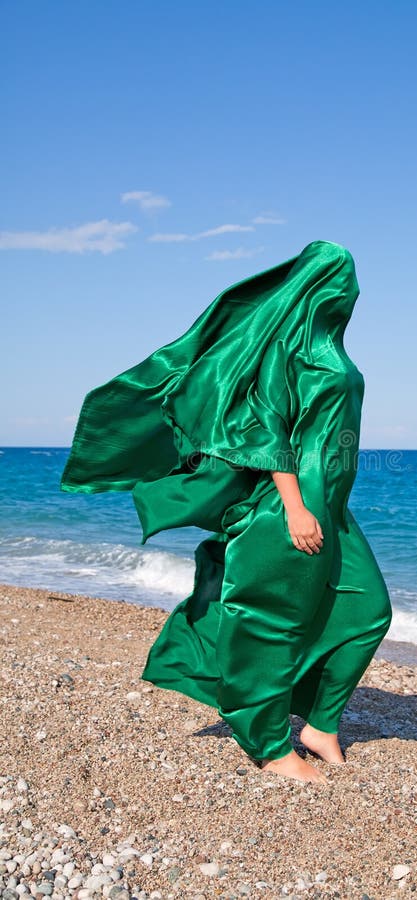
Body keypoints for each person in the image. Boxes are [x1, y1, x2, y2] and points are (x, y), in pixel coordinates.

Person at [60, 239, 393, 784]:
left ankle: (320, 725)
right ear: (315, 284)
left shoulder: (331, 348)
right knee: (272, 621)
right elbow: (267, 426)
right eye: (341, 278)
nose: (350, 290)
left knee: (368, 611)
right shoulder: (286, 349)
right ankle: (266, 743)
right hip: (291, 505)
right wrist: (293, 506)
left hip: (332, 508)